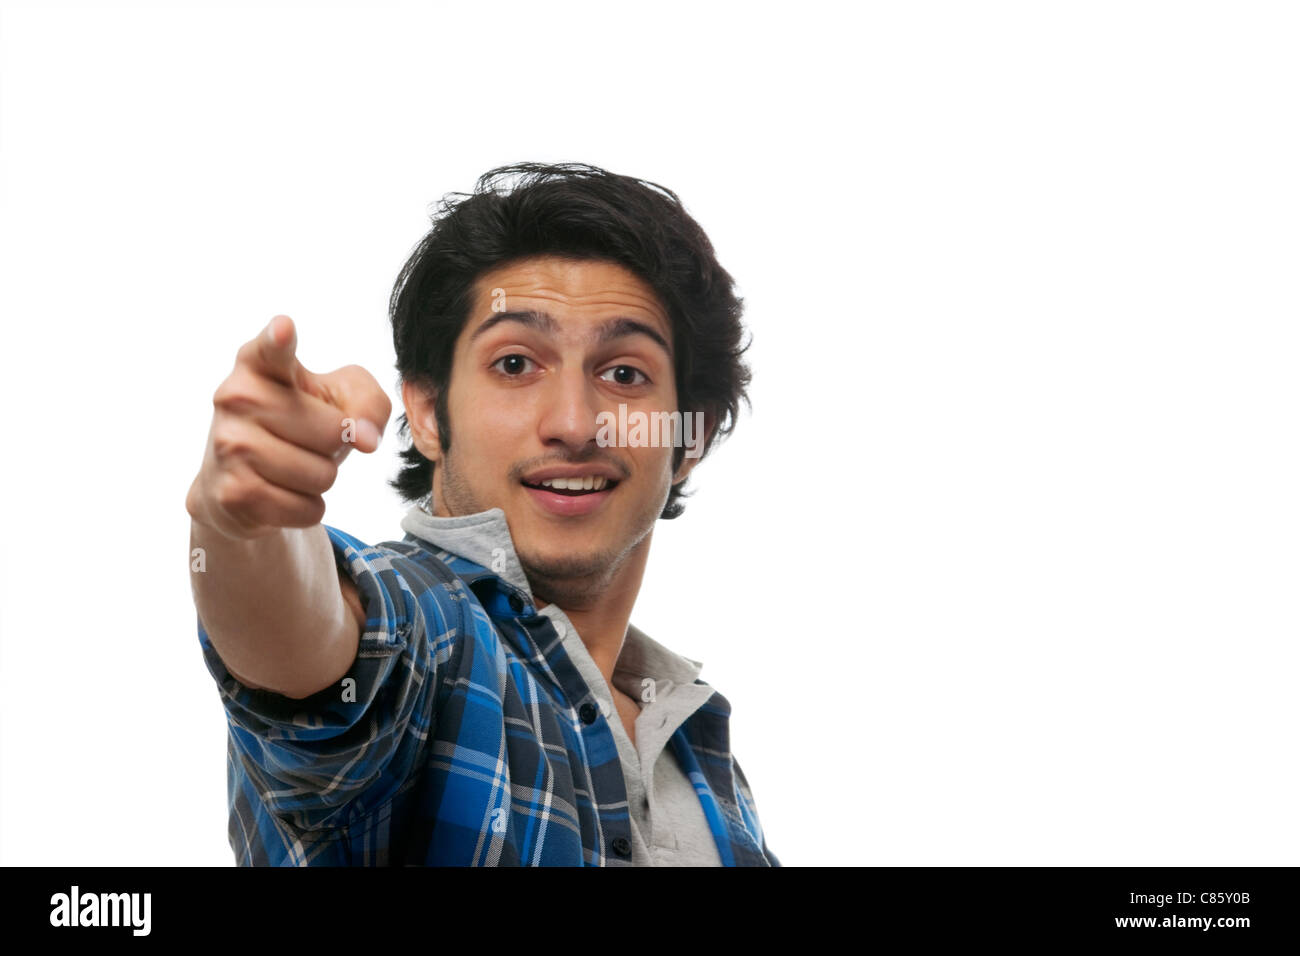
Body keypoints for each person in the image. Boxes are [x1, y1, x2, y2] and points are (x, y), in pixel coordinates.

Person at [186, 161, 779, 866]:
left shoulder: (700, 755)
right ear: (431, 412)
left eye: (624, 373)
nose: (573, 423)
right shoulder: (430, 634)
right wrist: (245, 526)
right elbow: (313, 636)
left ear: (691, 436)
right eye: (516, 364)